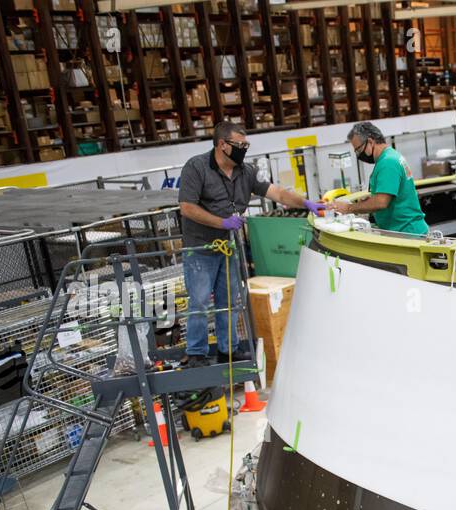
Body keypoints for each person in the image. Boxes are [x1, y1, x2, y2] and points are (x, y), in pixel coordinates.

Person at [178, 121, 325, 368]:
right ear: (222, 145)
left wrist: (306, 203)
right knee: (200, 301)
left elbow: (277, 193)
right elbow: (187, 207)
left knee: (230, 300)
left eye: (246, 145)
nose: (243, 150)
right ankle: (196, 353)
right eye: (239, 145)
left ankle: (229, 350)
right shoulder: (196, 167)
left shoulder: (247, 171)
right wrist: (221, 223)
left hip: (229, 246)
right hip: (200, 249)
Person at [329, 122, 429, 236]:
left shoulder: (388, 162)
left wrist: (348, 208)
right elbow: (387, 195)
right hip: (404, 230)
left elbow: (381, 202)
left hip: (407, 233)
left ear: (370, 142)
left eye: (358, 150)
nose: (358, 155)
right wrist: (370, 200)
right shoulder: (390, 157)